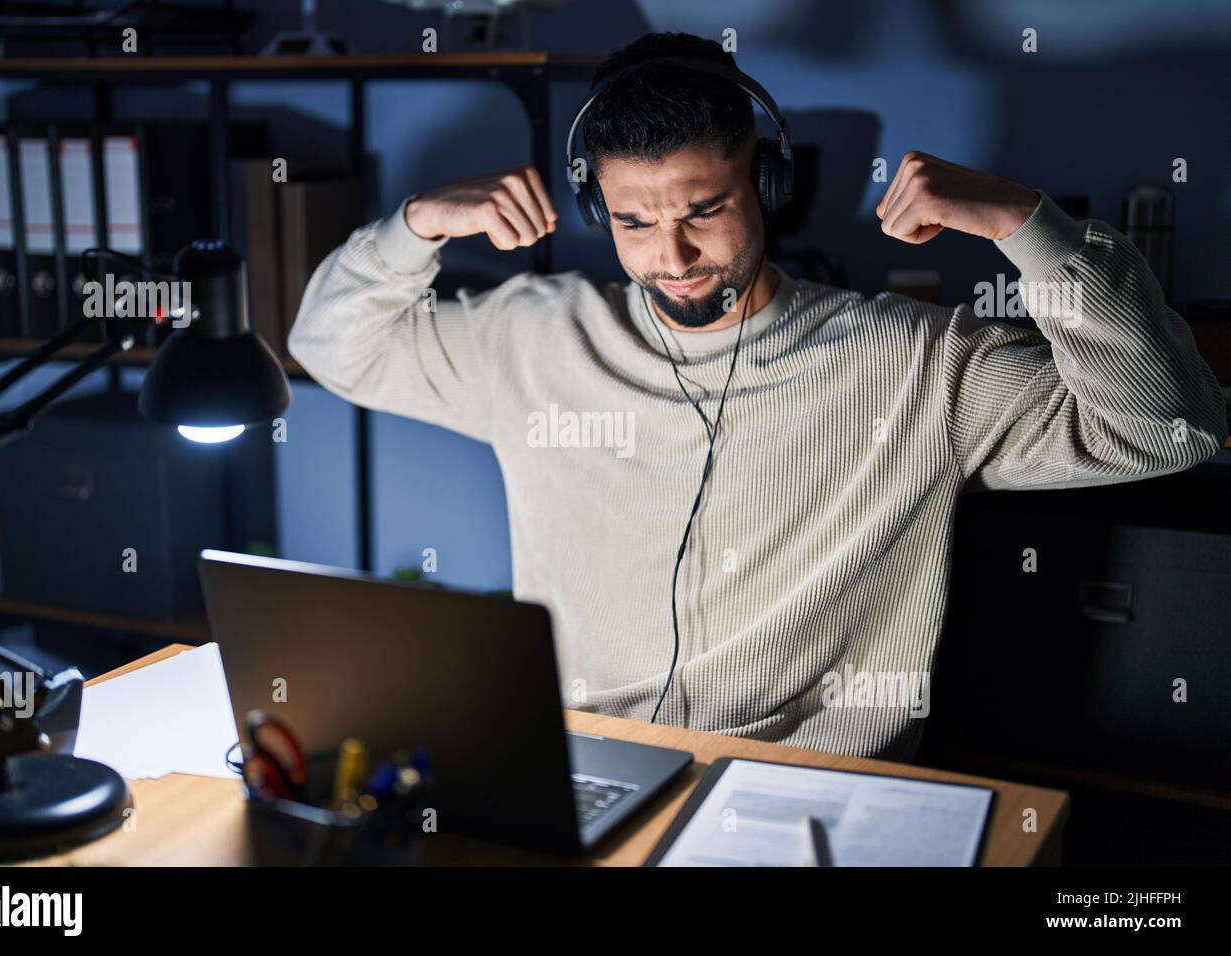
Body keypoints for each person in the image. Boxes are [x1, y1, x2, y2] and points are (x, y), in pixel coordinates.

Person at [288, 32, 1226, 760]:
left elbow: (1169, 428)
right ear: (596, 213)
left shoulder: (910, 362)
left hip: (814, 794)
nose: (674, 256)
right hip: (579, 772)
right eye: (634, 221)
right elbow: (327, 345)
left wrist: (1029, 228)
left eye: (704, 210)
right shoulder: (532, 335)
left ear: (769, 186)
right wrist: (414, 227)